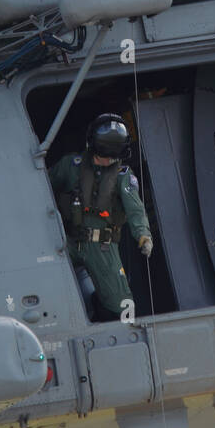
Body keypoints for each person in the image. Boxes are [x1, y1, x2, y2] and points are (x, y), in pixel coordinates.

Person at [49, 113, 153, 322]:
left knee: (122, 303)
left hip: (102, 247)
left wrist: (143, 235)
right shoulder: (71, 166)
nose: (107, 160)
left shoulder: (123, 175)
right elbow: (43, 185)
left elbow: (135, 209)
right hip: (67, 241)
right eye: (103, 155)